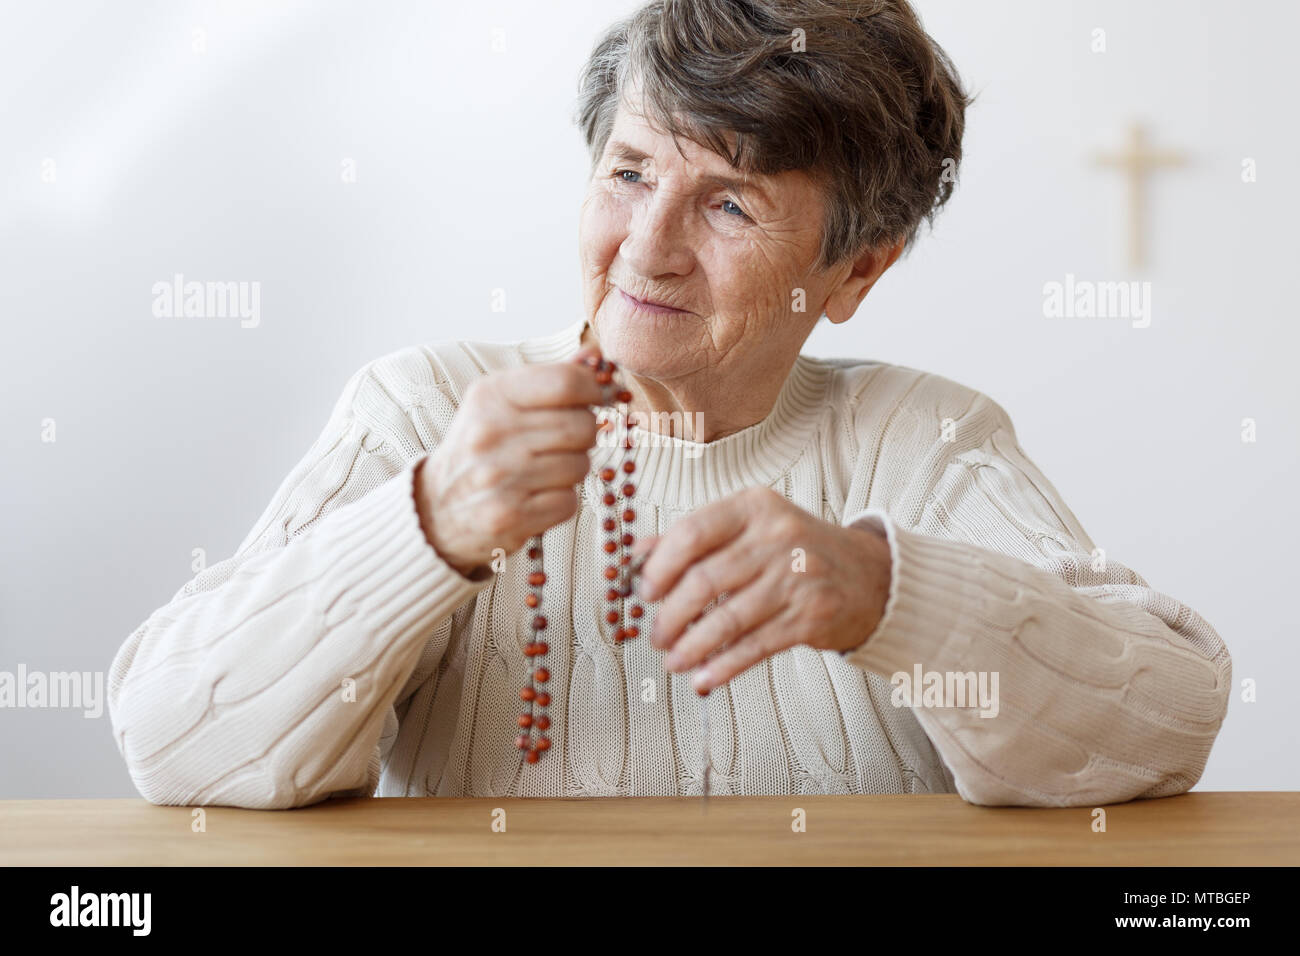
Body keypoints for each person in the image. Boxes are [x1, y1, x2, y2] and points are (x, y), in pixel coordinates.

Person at [107, 0, 1230, 809]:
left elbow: (1166, 721)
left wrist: (890, 595)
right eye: (630, 170)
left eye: (729, 204)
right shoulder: (428, 408)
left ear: (855, 272)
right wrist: (429, 522)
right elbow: (174, 744)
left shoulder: (921, 439)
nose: (647, 250)